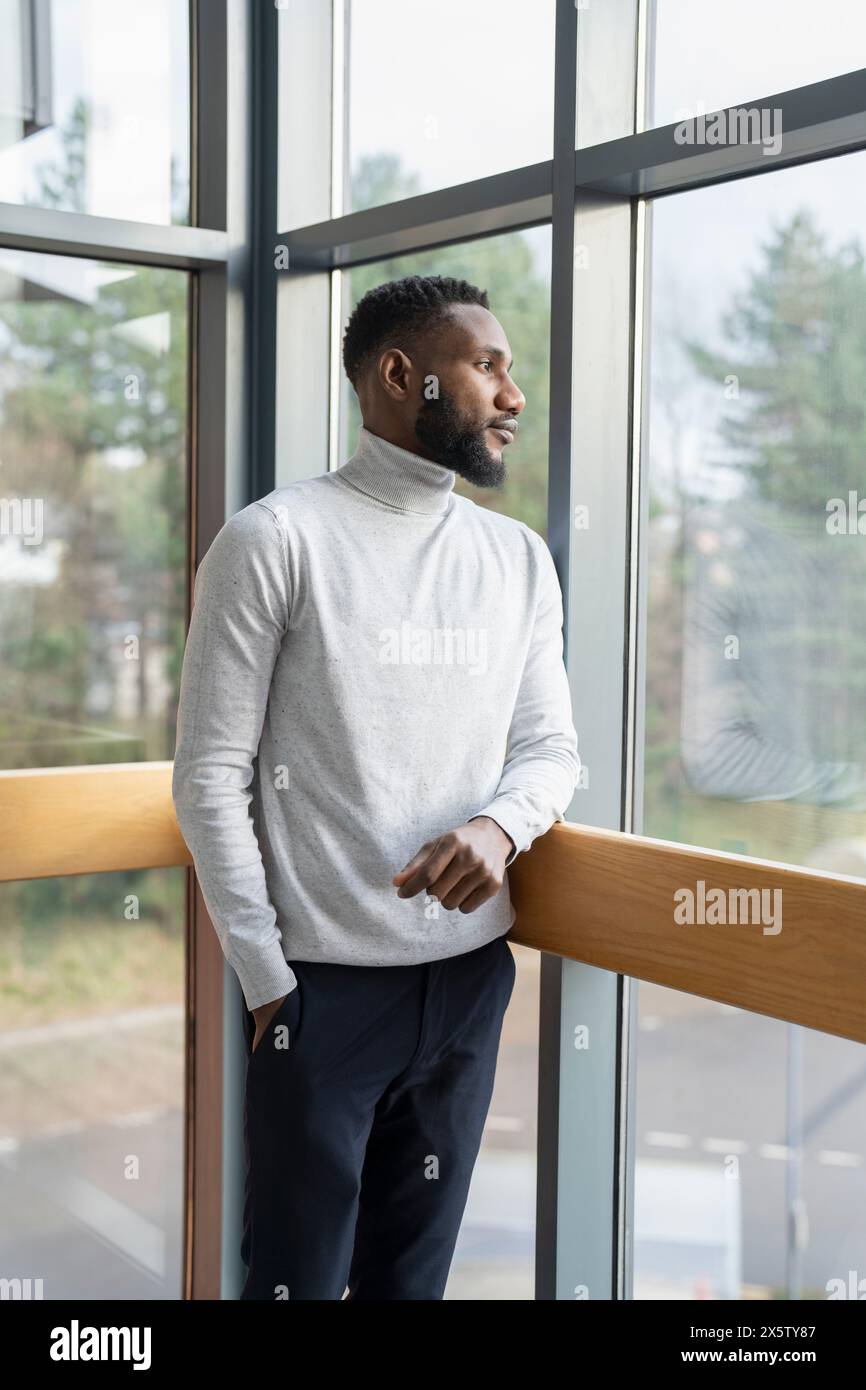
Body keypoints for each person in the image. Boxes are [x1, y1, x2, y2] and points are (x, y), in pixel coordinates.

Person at [172, 273, 580, 1300]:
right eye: (486, 366)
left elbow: (551, 749)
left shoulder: (517, 559)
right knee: (296, 1280)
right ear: (402, 376)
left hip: (469, 982)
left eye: (510, 370)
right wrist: (269, 982)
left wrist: (499, 827)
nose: (512, 395)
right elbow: (208, 777)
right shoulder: (275, 540)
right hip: (319, 991)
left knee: (411, 1280)